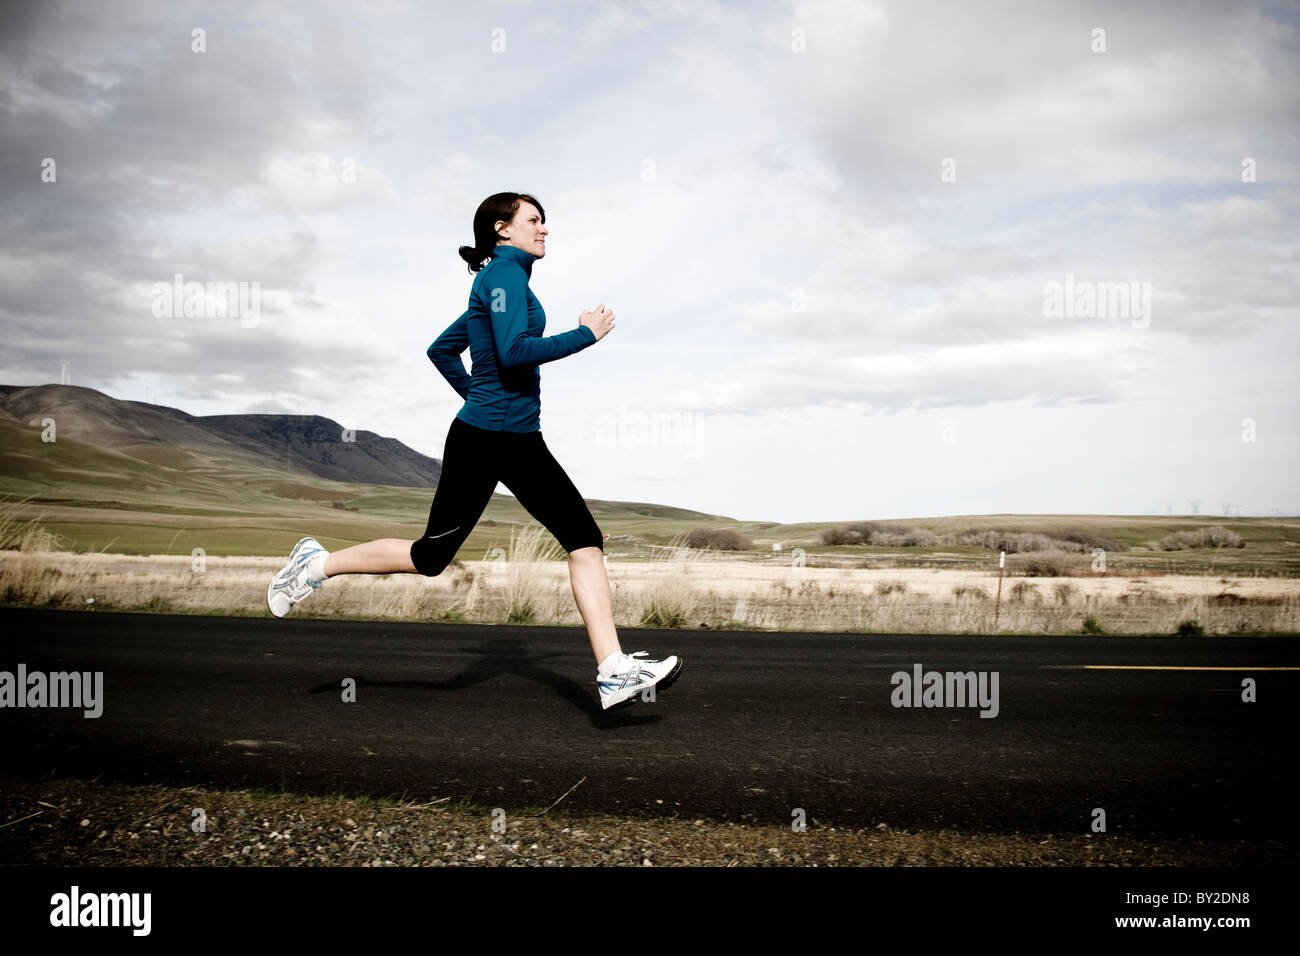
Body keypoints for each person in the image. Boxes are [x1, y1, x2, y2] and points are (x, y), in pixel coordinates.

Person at [266, 191, 682, 711]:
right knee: (431, 556)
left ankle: (614, 671)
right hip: (484, 442)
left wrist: (480, 395)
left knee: (584, 539)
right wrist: (584, 335)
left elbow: (442, 350)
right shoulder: (503, 277)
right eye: (534, 220)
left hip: (518, 439)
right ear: (503, 230)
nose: (545, 228)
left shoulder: (501, 282)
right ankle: (316, 564)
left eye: (545, 221)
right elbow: (511, 354)